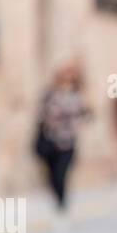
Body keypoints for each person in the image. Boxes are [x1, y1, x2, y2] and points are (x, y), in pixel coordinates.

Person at [34, 61, 90, 214]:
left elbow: (85, 115)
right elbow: (41, 114)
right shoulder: (50, 94)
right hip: (51, 141)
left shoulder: (77, 95)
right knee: (51, 176)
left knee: (62, 174)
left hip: (68, 142)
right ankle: (58, 202)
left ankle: (62, 204)